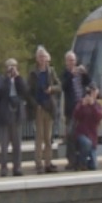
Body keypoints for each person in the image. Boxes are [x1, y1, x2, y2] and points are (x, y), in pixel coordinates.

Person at [28, 46, 61, 174]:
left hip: (49, 107)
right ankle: (38, 163)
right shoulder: (33, 73)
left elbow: (59, 86)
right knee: (39, 137)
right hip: (39, 108)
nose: (42, 59)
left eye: (44, 56)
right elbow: (28, 91)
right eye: (40, 57)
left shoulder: (51, 71)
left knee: (48, 137)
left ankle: (48, 162)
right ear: (37, 59)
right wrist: (34, 104)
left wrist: (51, 89)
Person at [0, 57, 28, 177]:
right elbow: (0, 92)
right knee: (4, 145)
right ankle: (4, 168)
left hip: (16, 114)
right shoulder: (2, 80)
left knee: (17, 144)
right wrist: (8, 79)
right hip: (4, 114)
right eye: (9, 66)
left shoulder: (20, 79)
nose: (11, 69)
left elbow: (25, 91)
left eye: (13, 66)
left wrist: (17, 77)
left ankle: (17, 167)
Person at [61, 51, 91, 170]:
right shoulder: (65, 73)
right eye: (69, 60)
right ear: (66, 62)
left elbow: (89, 83)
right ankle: (71, 161)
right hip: (71, 109)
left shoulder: (80, 73)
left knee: (82, 135)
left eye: (73, 60)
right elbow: (63, 87)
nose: (72, 63)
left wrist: (85, 73)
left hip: (82, 108)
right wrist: (70, 75)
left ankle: (82, 160)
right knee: (70, 135)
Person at [71, 85, 102, 170]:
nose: (93, 95)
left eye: (95, 93)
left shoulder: (98, 105)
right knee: (86, 143)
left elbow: (99, 116)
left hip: (92, 135)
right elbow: (76, 115)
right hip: (81, 133)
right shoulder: (81, 103)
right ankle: (81, 163)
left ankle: (84, 161)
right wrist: (82, 105)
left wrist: (92, 105)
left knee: (94, 165)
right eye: (91, 93)